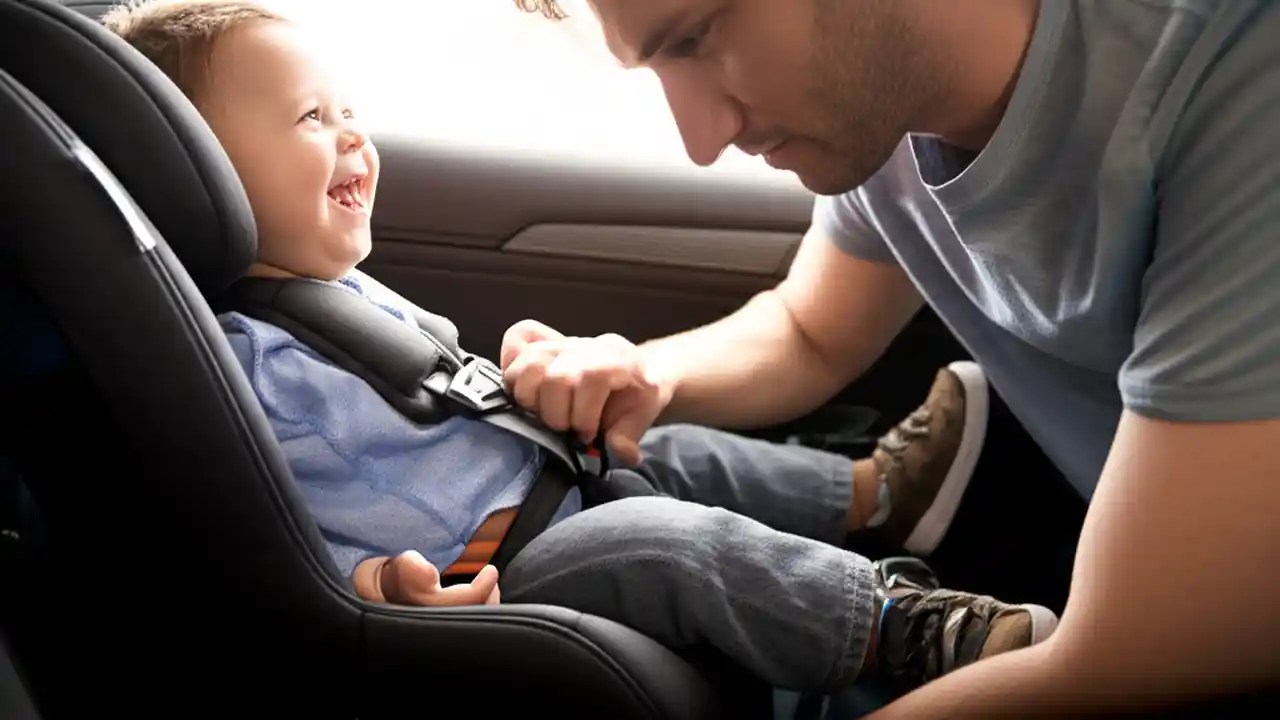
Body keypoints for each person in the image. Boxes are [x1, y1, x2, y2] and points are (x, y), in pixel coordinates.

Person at [102, 0, 1060, 696]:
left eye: (349, 109)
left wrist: (511, 376)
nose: (354, 135)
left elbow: (425, 402)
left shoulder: (330, 289)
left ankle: (875, 494)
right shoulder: (229, 362)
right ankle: (901, 628)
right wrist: (371, 589)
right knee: (668, 545)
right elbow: (258, 533)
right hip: (501, 568)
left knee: (670, 449)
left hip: (541, 489)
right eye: (313, 119)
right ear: (196, 179)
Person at [506, 0, 1280, 716]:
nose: (701, 141)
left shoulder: (1235, 66)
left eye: (699, 34)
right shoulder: (888, 117)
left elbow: (1119, 658)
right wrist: (651, 374)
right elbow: (810, 331)